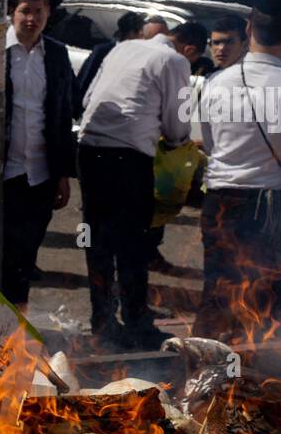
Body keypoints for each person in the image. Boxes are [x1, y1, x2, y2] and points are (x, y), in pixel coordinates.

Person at [194, 0, 281, 341]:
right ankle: (257, 378)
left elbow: (209, 146)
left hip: (222, 201)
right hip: (273, 208)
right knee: (265, 295)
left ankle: (200, 374)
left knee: (218, 289)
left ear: (249, 27)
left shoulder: (214, 84)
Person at [78, 21, 200, 348]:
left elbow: (88, 96)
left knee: (99, 242)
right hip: (128, 157)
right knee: (133, 243)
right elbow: (177, 126)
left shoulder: (124, 46)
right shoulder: (175, 61)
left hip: (90, 151)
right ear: (190, 49)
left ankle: (101, 320)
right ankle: (135, 320)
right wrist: (178, 143)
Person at [0, 0, 77, 312]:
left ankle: (16, 331)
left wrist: (63, 173)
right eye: (25, 11)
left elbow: (63, 115)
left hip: (41, 174)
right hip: (1, 173)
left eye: (39, 12)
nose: (31, 19)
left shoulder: (57, 55)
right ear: (12, 13)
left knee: (27, 255)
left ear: (48, 15)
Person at [76, 11, 144, 106]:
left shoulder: (138, 55)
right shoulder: (103, 51)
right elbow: (86, 78)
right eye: (141, 33)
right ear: (132, 33)